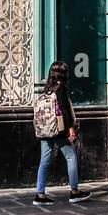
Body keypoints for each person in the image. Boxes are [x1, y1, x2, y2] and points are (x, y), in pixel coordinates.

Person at [33, 61, 91, 205]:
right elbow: (65, 111)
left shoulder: (48, 88)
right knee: (71, 157)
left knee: (44, 161)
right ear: (63, 73)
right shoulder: (61, 88)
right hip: (58, 130)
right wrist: (71, 128)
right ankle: (74, 192)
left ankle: (39, 194)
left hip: (45, 129)